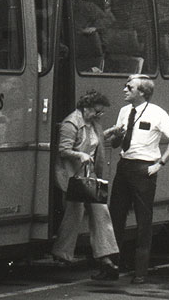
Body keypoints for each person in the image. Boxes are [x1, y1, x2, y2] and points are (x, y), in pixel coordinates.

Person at [104, 75, 169, 283]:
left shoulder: (157, 113)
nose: (124, 90)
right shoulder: (123, 112)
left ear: (142, 92)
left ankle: (140, 272)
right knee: (115, 217)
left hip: (143, 170)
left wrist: (160, 164)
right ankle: (112, 267)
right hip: (124, 166)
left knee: (143, 221)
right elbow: (115, 145)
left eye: (129, 87)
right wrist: (117, 135)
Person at [52, 90, 121, 280]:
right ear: (85, 108)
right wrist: (80, 155)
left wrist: (111, 132)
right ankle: (62, 254)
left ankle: (106, 259)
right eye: (96, 112)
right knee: (74, 214)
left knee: (100, 213)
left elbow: (95, 141)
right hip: (74, 177)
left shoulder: (93, 123)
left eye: (100, 112)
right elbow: (63, 150)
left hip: (89, 177)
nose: (98, 115)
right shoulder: (71, 123)